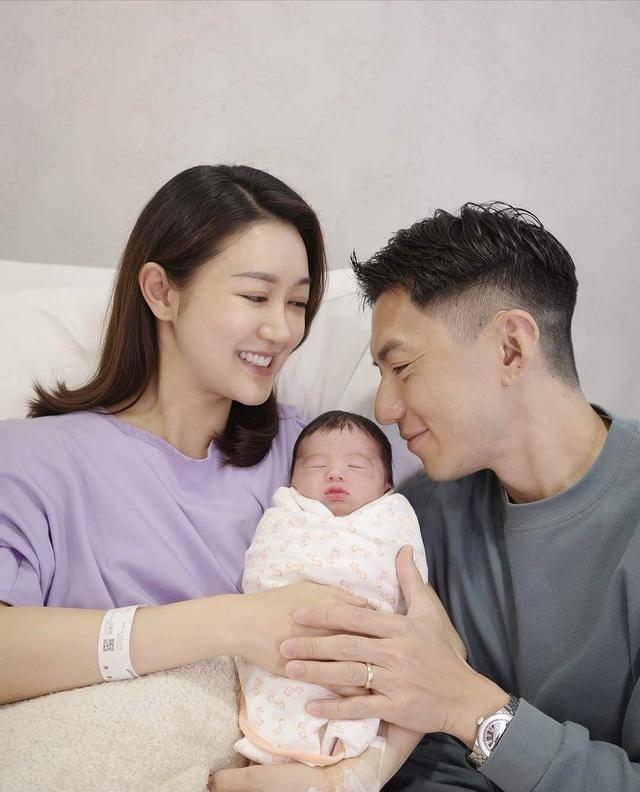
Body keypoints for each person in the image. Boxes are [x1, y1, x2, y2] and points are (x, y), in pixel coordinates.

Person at [0, 164, 424, 792]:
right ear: (161, 293)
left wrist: (352, 779)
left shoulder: (316, 457)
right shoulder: (34, 460)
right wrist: (232, 623)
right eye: (256, 297)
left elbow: (423, 640)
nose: (282, 330)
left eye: (298, 303)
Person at [272, 203, 640, 792]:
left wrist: (470, 707)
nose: (384, 408)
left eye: (402, 367)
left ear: (511, 349)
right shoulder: (416, 517)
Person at [235, 410, 428, 767]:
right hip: (286, 643)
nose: (335, 473)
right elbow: (262, 571)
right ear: (293, 479)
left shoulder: (392, 516)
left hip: (365, 654)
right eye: (316, 465)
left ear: (386, 484)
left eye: (356, 466)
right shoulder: (286, 515)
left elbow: (411, 594)